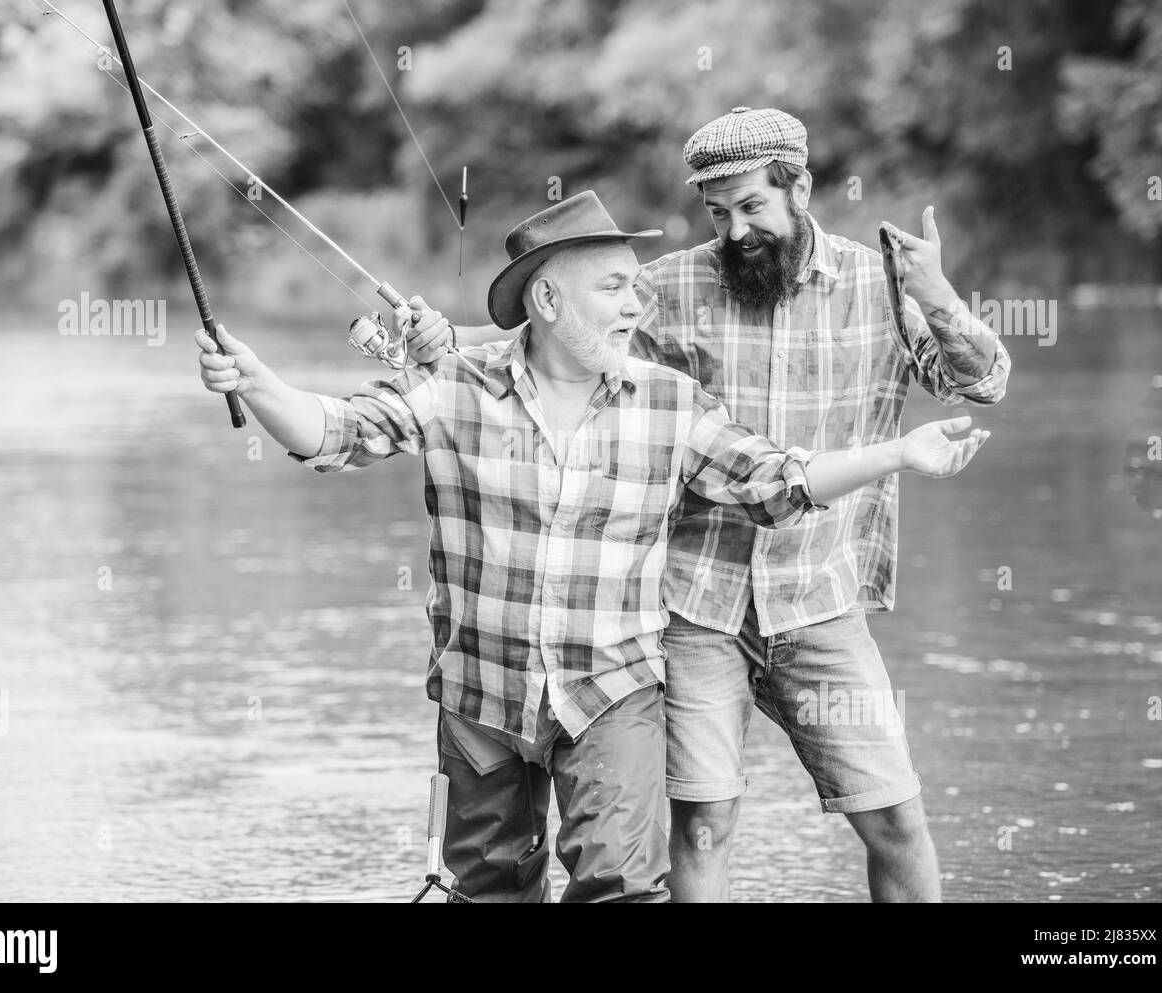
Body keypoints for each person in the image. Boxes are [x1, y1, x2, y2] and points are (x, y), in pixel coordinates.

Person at [197, 190, 990, 903]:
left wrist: (899, 454)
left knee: (618, 885)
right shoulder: (456, 390)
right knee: (488, 888)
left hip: (612, 690)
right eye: (613, 288)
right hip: (483, 698)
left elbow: (780, 480)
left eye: (636, 286)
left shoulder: (670, 403)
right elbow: (336, 433)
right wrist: (258, 381)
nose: (636, 306)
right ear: (548, 299)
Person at [406, 108, 1011, 902]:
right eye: (718, 212)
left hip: (820, 595)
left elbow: (984, 381)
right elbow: (560, 338)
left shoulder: (879, 283)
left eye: (752, 206)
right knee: (699, 824)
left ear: (799, 188)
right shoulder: (673, 285)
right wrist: (438, 346)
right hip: (692, 600)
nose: (734, 230)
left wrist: (937, 295)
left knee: (893, 816)